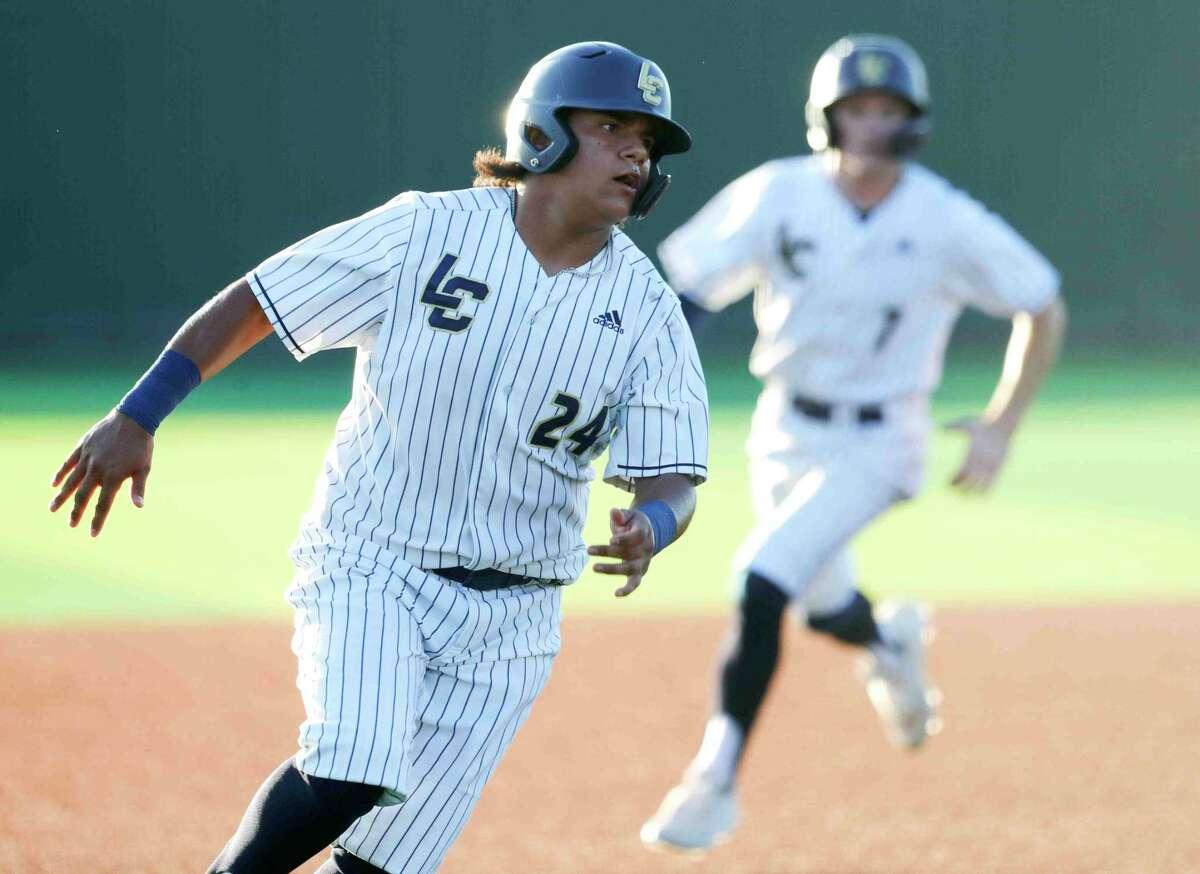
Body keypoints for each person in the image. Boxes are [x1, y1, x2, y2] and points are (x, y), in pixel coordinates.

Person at [48, 41, 708, 874]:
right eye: (612, 125)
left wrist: (654, 521)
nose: (635, 151)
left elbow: (675, 476)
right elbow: (262, 299)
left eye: (647, 140)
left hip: (516, 620)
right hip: (373, 563)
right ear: (544, 133)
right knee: (352, 768)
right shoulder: (427, 230)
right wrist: (138, 414)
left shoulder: (648, 312)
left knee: (379, 868)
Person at [639, 33, 1066, 852]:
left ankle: (713, 783)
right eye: (857, 110)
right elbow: (687, 287)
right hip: (786, 428)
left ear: (914, 123)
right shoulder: (778, 195)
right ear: (825, 119)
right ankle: (889, 641)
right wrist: (649, 384)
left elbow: (1042, 304)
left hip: (884, 441)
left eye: (889, 111)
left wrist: (1001, 425)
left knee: (759, 579)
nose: (873, 126)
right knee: (824, 603)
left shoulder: (940, 216)